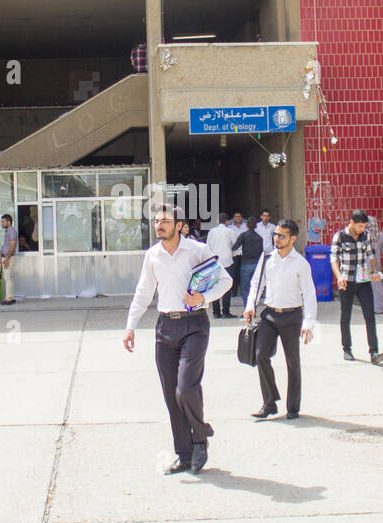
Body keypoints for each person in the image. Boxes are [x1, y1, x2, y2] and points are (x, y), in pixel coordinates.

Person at [123, 203, 233, 476]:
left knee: (185, 388)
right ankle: (184, 454)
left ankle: (199, 439)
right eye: (157, 221)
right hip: (164, 328)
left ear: (179, 225)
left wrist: (203, 299)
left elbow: (225, 281)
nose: (159, 225)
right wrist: (130, 326)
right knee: (172, 396)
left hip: (194, 325)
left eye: (165, 221)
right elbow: (143, 292)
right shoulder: (153, 256)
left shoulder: (197, 251)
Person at [244, 219, 316, 420]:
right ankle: (269, 402)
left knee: (292, 362)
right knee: (260, 355)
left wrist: (308, 324)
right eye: (275, 234)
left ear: (293, 238)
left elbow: (309, 295)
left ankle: (293, 407)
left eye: (281, 235)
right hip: (269, 315)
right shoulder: (267, 258)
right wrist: (250, 306)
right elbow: (257, 283)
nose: (277, 238)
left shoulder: (301, 263)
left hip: (292, 316)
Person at [330, 210, 383, 365]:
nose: (362, 229)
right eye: (360, 226)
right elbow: (334, 259)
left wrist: (374, 271)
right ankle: (347, 349)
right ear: (352, 223)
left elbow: (371, 255)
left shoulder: (365, 235)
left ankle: (374, 351)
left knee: (370, 315)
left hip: (363, 281)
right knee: (345, 316)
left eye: (364, 226)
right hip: (346, 282)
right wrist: (339, 276)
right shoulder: (339, 236)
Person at [205, 213, 238, 319]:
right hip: (227, 261)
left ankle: (216, 312)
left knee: (214, 286)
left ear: (217, 221)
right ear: (227, 222)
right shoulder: (230, 231)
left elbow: (207, 246)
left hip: (214, 261)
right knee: (227, 286)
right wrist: (234, 255)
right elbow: (236, 245)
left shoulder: (211, 232)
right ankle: (226, 311)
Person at [234, 220, 265, 303]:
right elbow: (261, 252)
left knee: (245, 288)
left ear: (246, 226)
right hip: (256, 263)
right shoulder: (259, 237)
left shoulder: (243, 235)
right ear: (256, 226)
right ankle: (253, 307)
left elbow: (235, 247)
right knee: (255, 287)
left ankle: (247, 308)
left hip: (245, 263)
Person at [0, 213, 18, 305]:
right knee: (8, 277)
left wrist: (7, 258)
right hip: (6, 257)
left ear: (9, 222)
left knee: (7, 278)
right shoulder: (8, 231)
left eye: (3, 222)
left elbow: (12, 246)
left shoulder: (11, 231)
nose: (2, 223)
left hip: (9, 257)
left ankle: (8, 298)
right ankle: (11, 296)